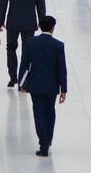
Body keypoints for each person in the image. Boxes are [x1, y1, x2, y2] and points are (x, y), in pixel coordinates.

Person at [19, 15, 67, 156]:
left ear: (39, 27)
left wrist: (22, 83)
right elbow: (61, 68)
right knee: (50, 112)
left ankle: (43, 142)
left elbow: (24, 64)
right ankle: (48, 139)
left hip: (35, 84)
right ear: (53, 28)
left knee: (38, 113)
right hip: (52, 85)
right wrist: (63, 89)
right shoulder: (58, 45)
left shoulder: (30, 42)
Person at [0, 0, 46, 88]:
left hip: (13, 22)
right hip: (29, 23)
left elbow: (3, 3)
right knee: (27, 50)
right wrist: (42, 21)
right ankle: (24, 79)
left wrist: (0, 21)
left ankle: (13, 77)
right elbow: (41, 4)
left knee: (11, 48)